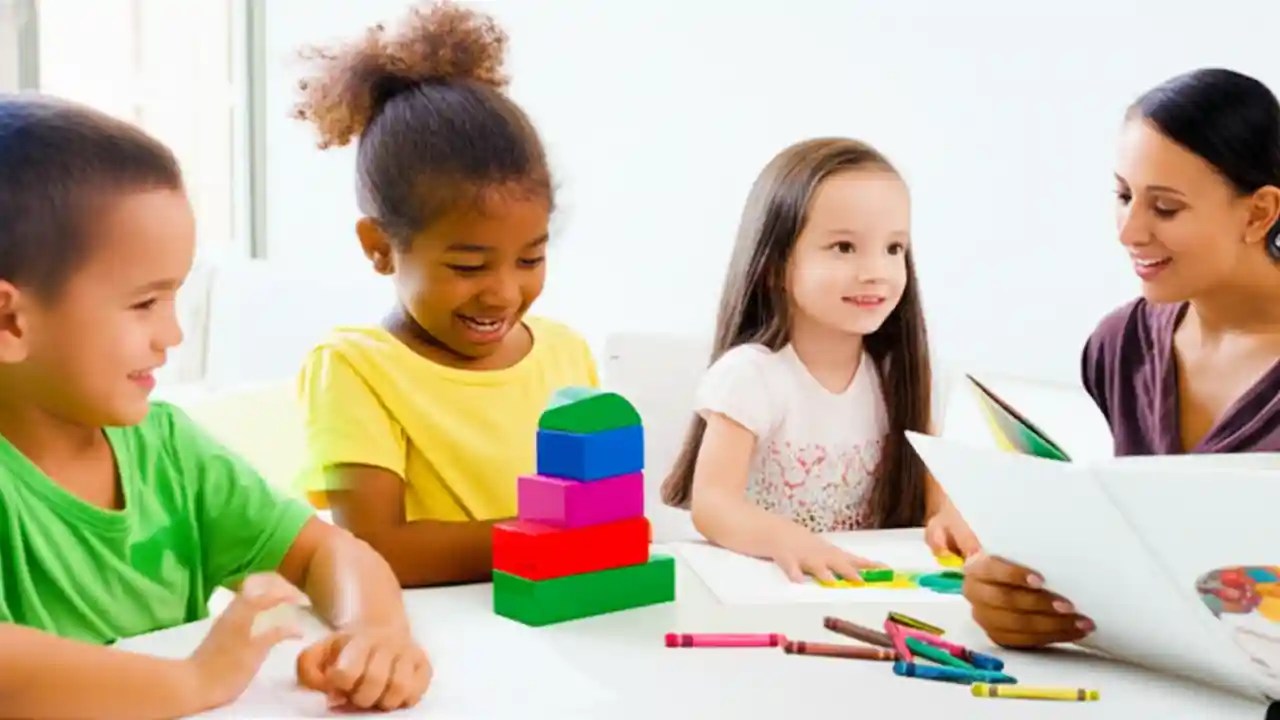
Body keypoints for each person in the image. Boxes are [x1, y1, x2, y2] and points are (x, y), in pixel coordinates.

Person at [0, 94, 430, 717]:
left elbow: (325, 551)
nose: (171, 334)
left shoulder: (169, 449)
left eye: (175, 297)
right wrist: (191, 683)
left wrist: (375, 632)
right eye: (144, 304)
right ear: (10, 320)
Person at [928, 67, 1280, 648]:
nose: (1129, 231)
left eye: (1165, 208)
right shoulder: (1121, 346)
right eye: (1123, 196)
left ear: (1259, 214)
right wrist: (1017, 593)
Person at [292, 1, 598, 588]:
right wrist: (555, 539)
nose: (504, 293)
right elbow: (375, 549)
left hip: (565, 631)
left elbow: (601, 512)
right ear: (379, 246)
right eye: (468, 265)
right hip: (428, 648)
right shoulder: (356, 368)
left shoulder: (565, 354)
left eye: (531, 258)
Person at [660, 137, 948, 584]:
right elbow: (712, 505)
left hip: (865, 592)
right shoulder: (751, 376)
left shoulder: (895, 378)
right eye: (844, 248)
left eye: (894, 249)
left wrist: (952, 519)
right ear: (776, 264)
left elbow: (937, 502)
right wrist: (785, 540)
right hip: (768, 589)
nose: (876, 270)